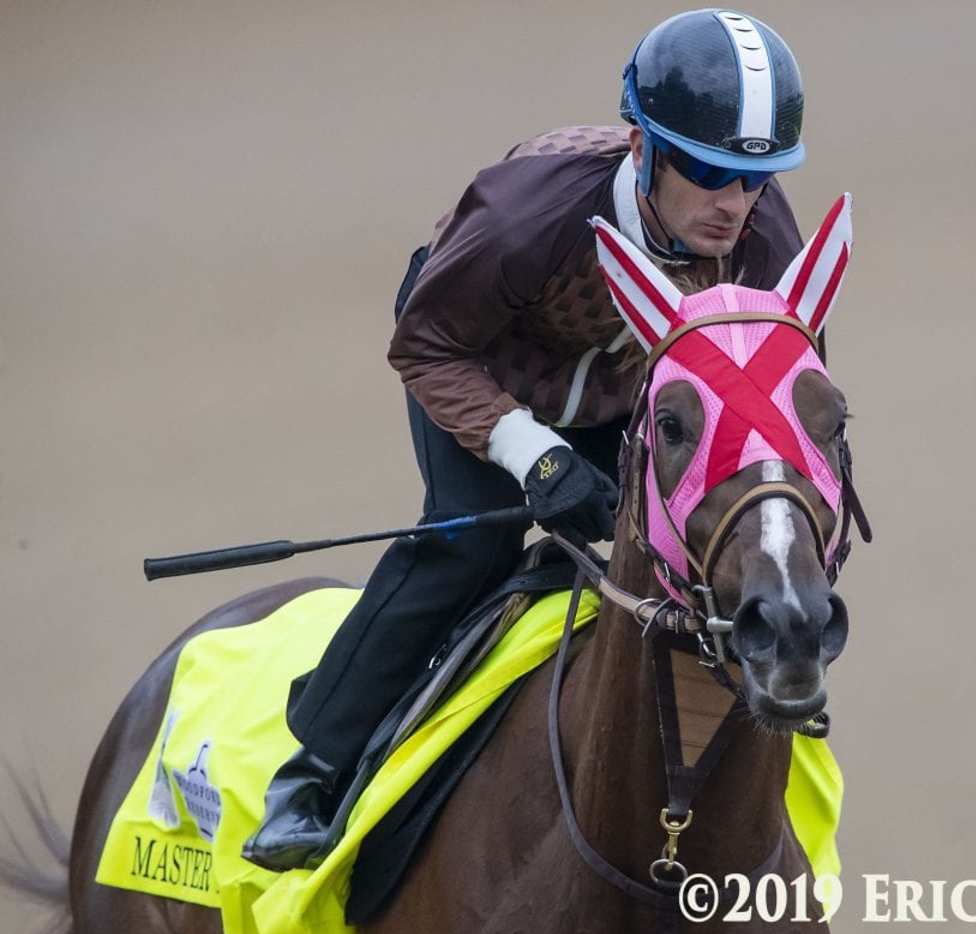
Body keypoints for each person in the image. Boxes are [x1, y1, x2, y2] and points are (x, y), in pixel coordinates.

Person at [243, 8, 816, 871]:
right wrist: (531, 452)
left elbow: (778, 398)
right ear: (641, 147)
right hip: (477, 362)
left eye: (757, 178)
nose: (734, 205)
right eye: (706, 171)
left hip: (629, 393)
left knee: (703, 537)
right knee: (467, 550)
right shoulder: (528, 214)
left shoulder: (763, 239)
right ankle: (313, 770)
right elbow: (423, 345)